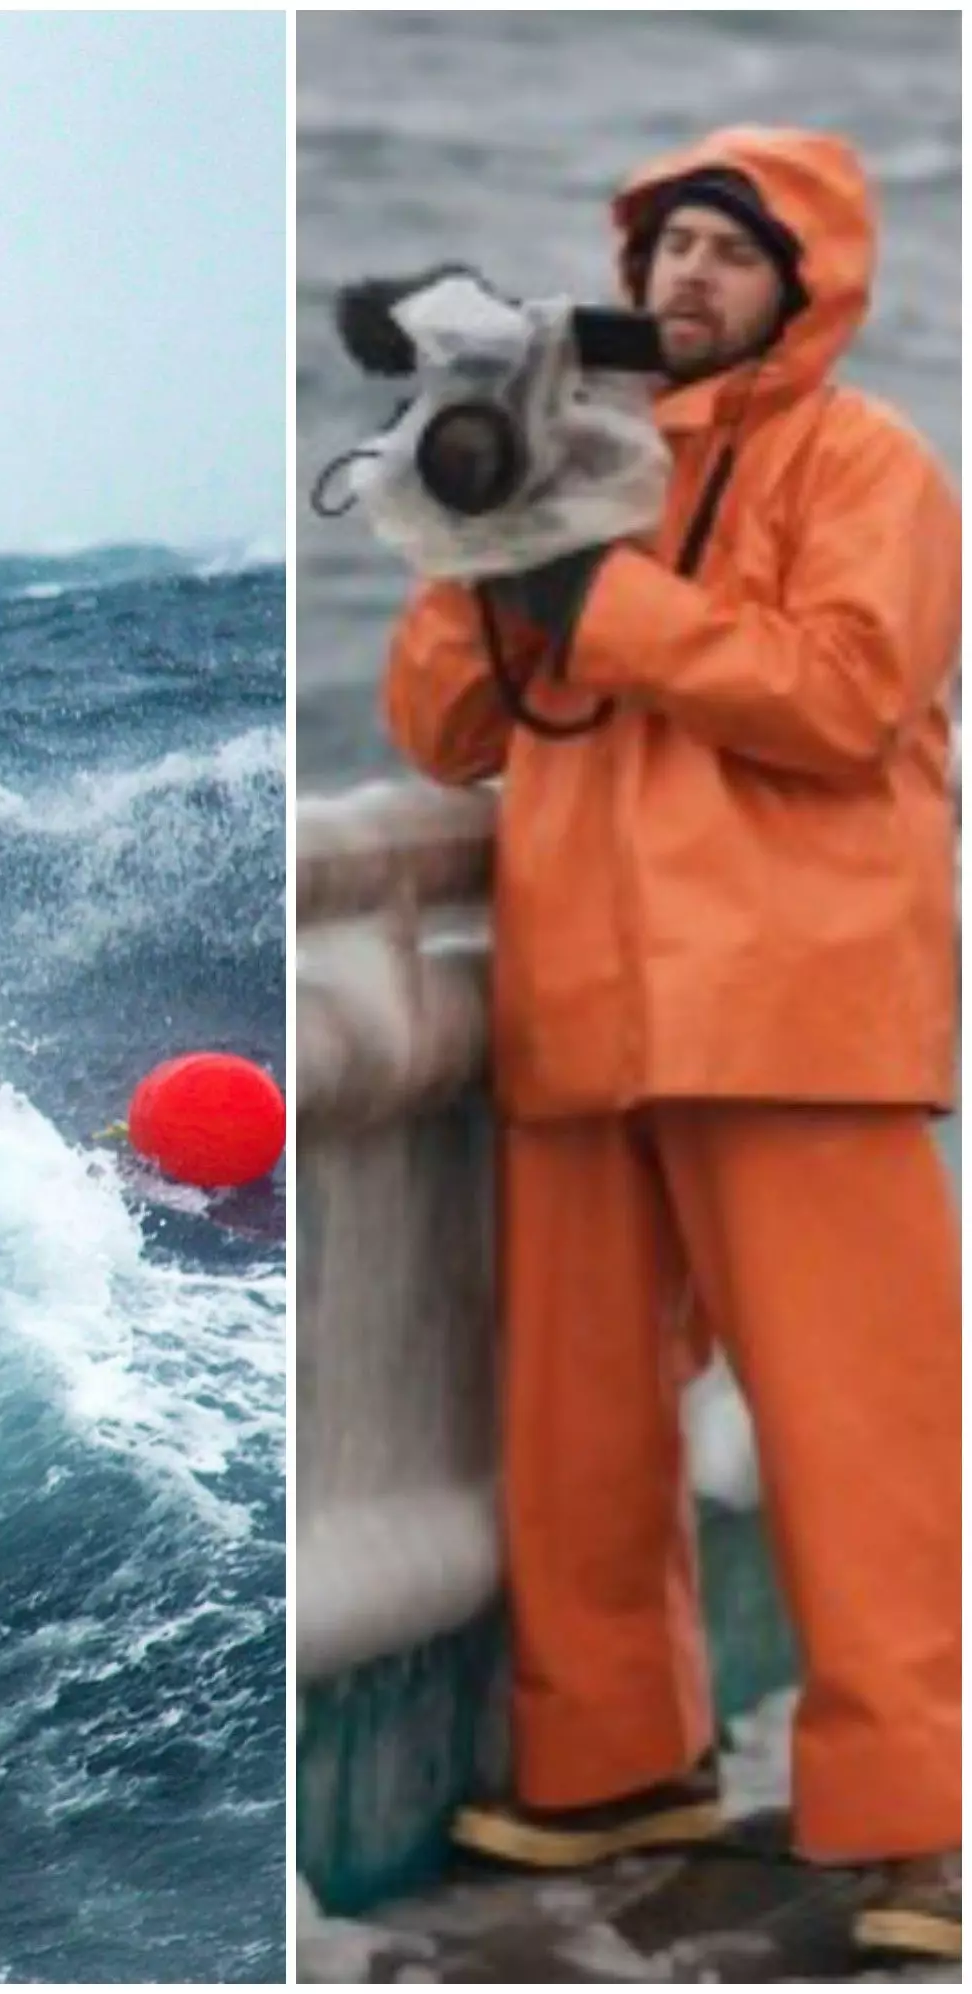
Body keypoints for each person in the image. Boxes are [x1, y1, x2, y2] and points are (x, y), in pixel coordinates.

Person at [382, 128, 960, 1960]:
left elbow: (846, 692)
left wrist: (600, 600)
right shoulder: (575, 463)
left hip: (794, 1014)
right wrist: (483, 543)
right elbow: (439, 728)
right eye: (668, 250)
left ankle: (923, 1816)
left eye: (729, 251)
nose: (687, 281)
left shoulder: (868, 460)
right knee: (577, 1432)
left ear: (808, 286)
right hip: (581, 1013)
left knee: (861, 1436)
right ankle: (618, 1762)